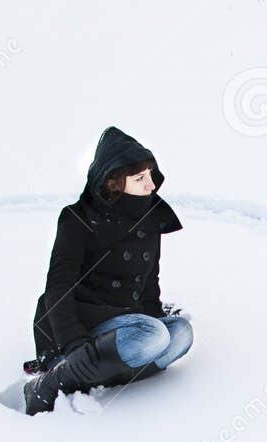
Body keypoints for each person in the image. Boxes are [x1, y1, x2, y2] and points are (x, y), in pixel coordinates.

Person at [25, 126, 193, 415]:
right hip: (82, 321)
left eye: (150, 175)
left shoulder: (150, 214)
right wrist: (73, 343)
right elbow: (58, 288)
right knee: (153, 335)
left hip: (124, 319)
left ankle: (100, 374)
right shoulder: (77, 219)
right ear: (114, 183)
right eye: (140, 178)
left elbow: (149, 279)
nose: (151, 185)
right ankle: (52, 382)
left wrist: (153, 314)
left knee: (181, 333)